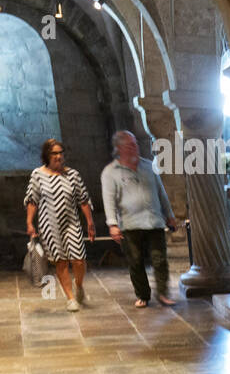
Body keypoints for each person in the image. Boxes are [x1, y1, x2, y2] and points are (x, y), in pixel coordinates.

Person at [102, 131, 177, 308]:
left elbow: (161, 193)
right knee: (135, 261)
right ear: (119, 148)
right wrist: (112, 224)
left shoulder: (149, 166)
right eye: (130, 145)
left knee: (160, 260)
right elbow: (109, 199)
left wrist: (170, 215)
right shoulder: (110, 172)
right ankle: (143, 295)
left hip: (154, 221)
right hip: (130, 224)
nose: (135, 147)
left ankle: (163, 293)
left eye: (135, 143)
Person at [25, 139, 95, 312]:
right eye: (54, 153)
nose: (58, 156)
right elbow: (32, 200)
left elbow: (83, 199)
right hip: (49, 226)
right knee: (60, 261)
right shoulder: (38, 174)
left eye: (60, 152)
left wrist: (90, 222)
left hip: (71, 223)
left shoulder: (72, 174)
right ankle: (70, 298)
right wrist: (29, 222)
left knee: (78, 260)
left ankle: (78, 286)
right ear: (46, 155)